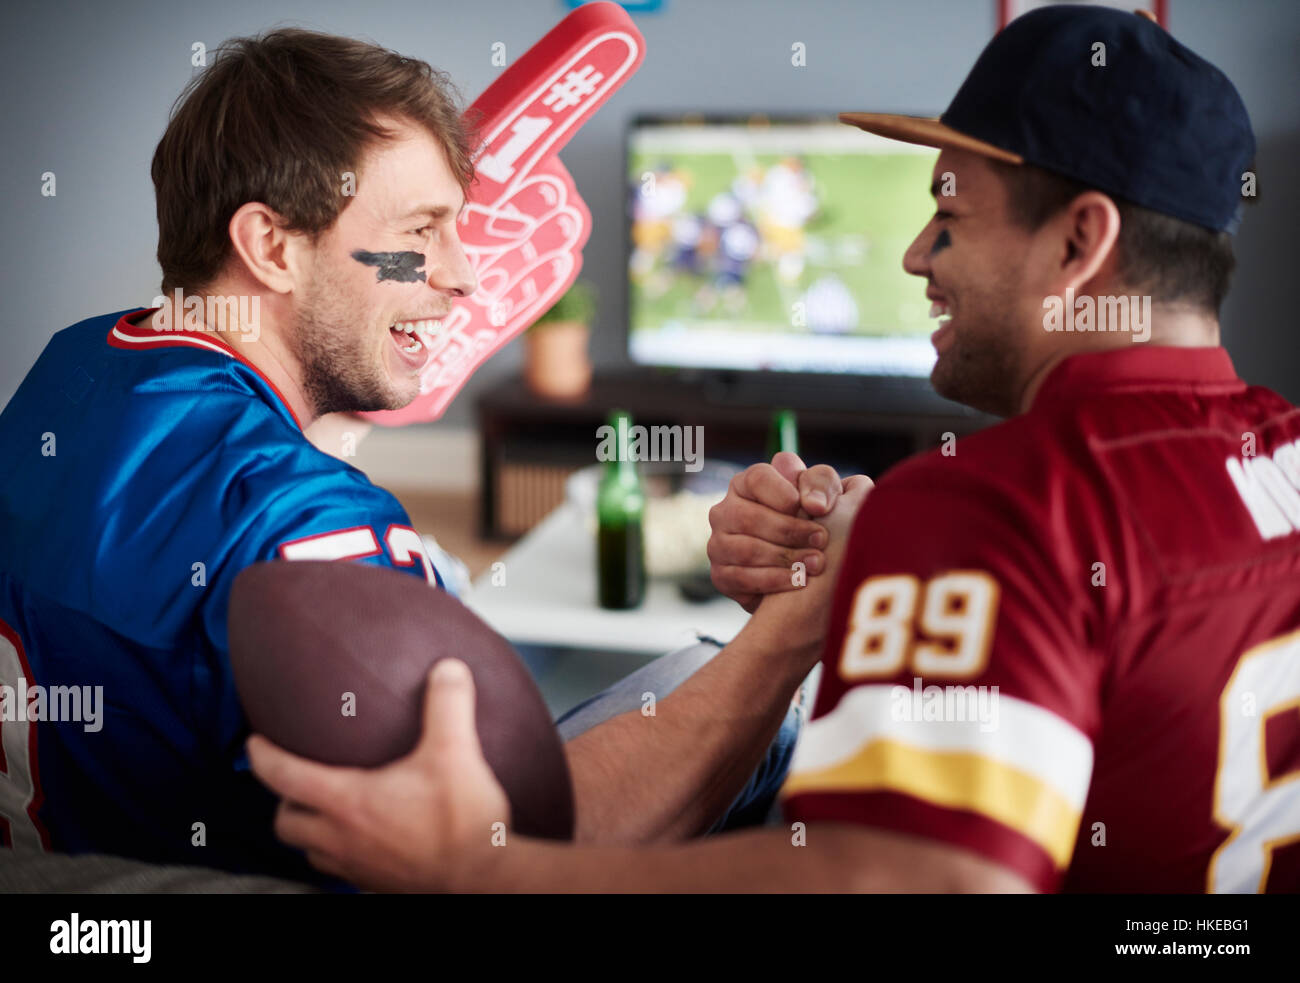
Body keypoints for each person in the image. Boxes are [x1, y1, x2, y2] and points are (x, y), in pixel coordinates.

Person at [250, 6, 1300, 893]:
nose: (914, 253)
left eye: (950, 215)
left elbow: (899, 877)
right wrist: (873, 564)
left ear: (1079, 244)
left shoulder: (990, 503)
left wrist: (477, 866)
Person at [0, 28, 813, 882]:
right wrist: (787, 640)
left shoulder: (73, 364)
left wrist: (359, 372)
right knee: (730, 677)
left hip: (86, 855)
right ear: (272, 246)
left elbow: (205, 503)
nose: (463, 275)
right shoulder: (316, 526)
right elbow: (500, 855)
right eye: (421, 231)